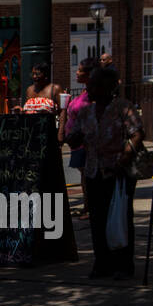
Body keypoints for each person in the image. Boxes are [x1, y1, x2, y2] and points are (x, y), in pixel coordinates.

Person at [64, 65, 143, 280]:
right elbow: (74, 137)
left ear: (107, 87)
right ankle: (102, 263)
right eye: (90, 84)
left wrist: (124, 158)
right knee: (97, 220)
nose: (90, 88)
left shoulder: (123, 107)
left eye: (95, 85)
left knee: (120, 218)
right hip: (94, 171)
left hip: (118, 172)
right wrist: (72, 138)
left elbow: (137, 134)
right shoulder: (86, 112)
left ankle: (123, 264)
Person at [59, 57, 98, 219]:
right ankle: (87, 206)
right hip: (77, 142)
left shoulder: (93, 94)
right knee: (84, 176)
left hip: (85, 143)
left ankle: (91, 209)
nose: (77, 72)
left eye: (80, 70)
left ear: (89, 74)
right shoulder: (84, 91)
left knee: (88, 177)